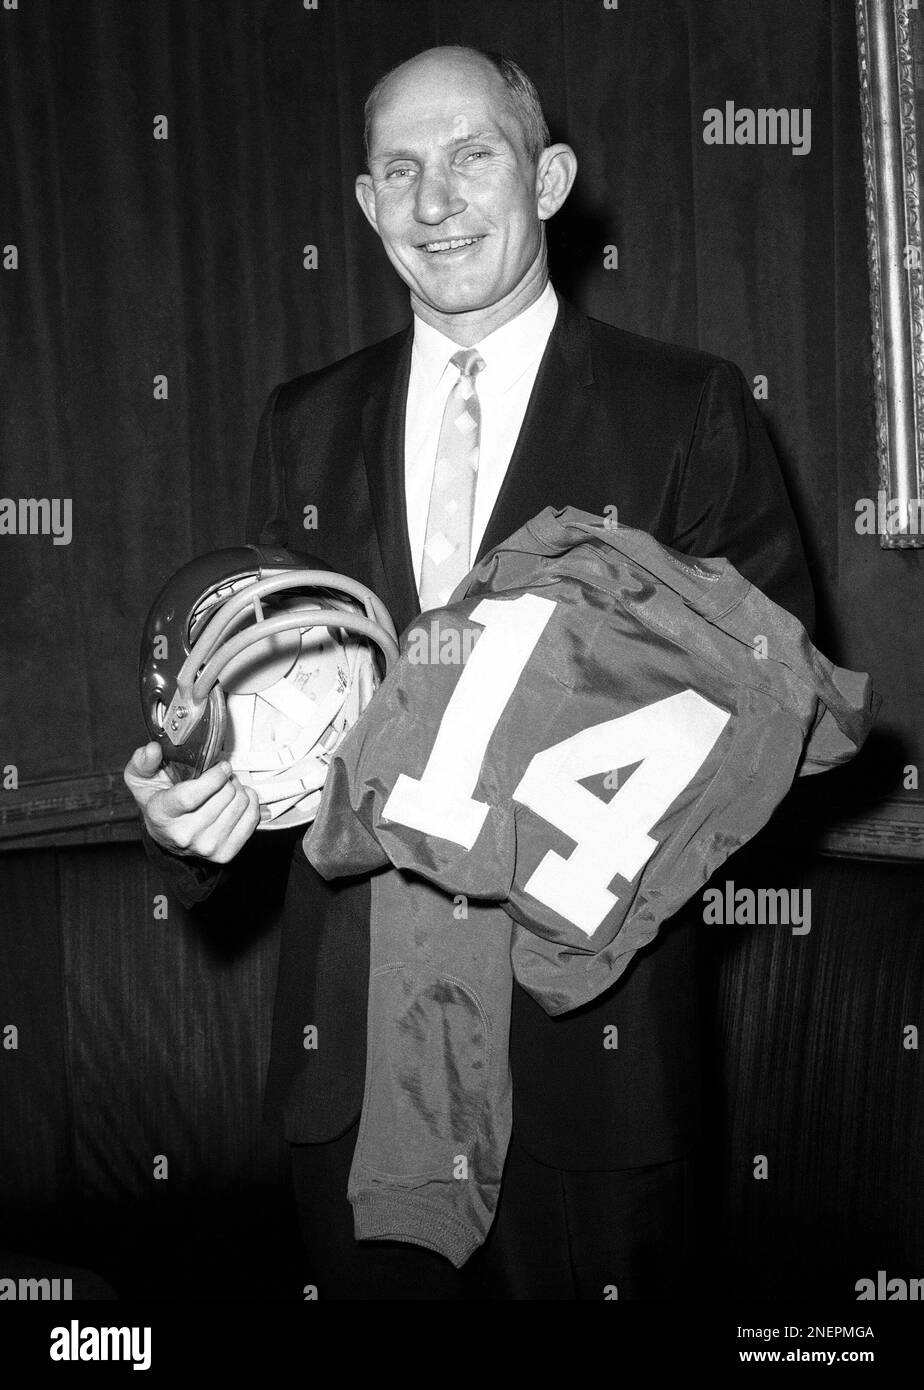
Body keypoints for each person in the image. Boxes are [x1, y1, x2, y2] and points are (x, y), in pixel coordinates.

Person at [124, 44, 814, 1300]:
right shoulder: (303, 421)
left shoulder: (692, 408)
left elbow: (779, 721)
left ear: (548, 179)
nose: (434, 200)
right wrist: (193, 808)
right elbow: (267, 707)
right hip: (352, 1070)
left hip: (588, 1074)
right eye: (401, 170)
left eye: (470, 156)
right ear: (365, 208)